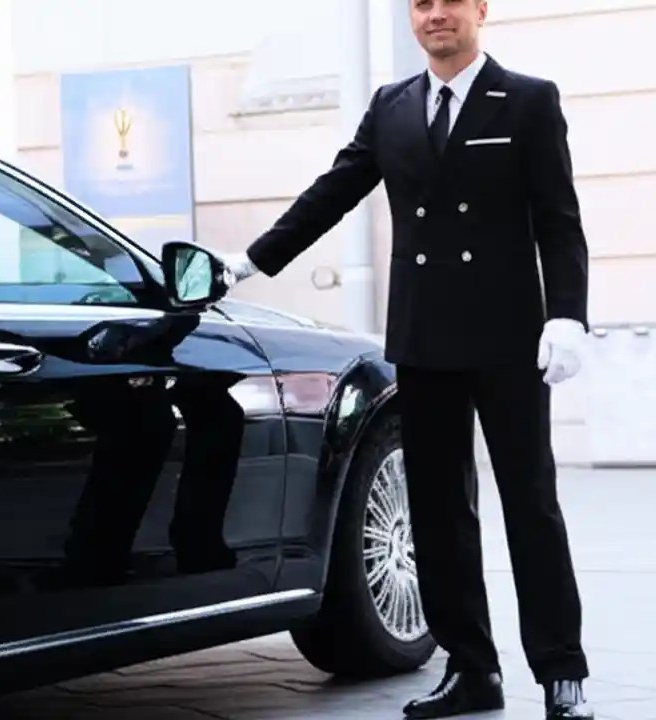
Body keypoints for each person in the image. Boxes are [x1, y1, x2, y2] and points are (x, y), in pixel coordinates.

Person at [220, 1, 594, 718]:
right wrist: (249, 261)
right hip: (425, 338)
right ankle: (472, 669)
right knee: (438, 511)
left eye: (450, 1)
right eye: (421, 3)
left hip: (509, 337)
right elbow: (333, 192)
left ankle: (561, 673)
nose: (435, 15)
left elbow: (559, 219)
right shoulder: (391, 107)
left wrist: (568, 315)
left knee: (531, 505)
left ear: (480, 9)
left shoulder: (527, 100)